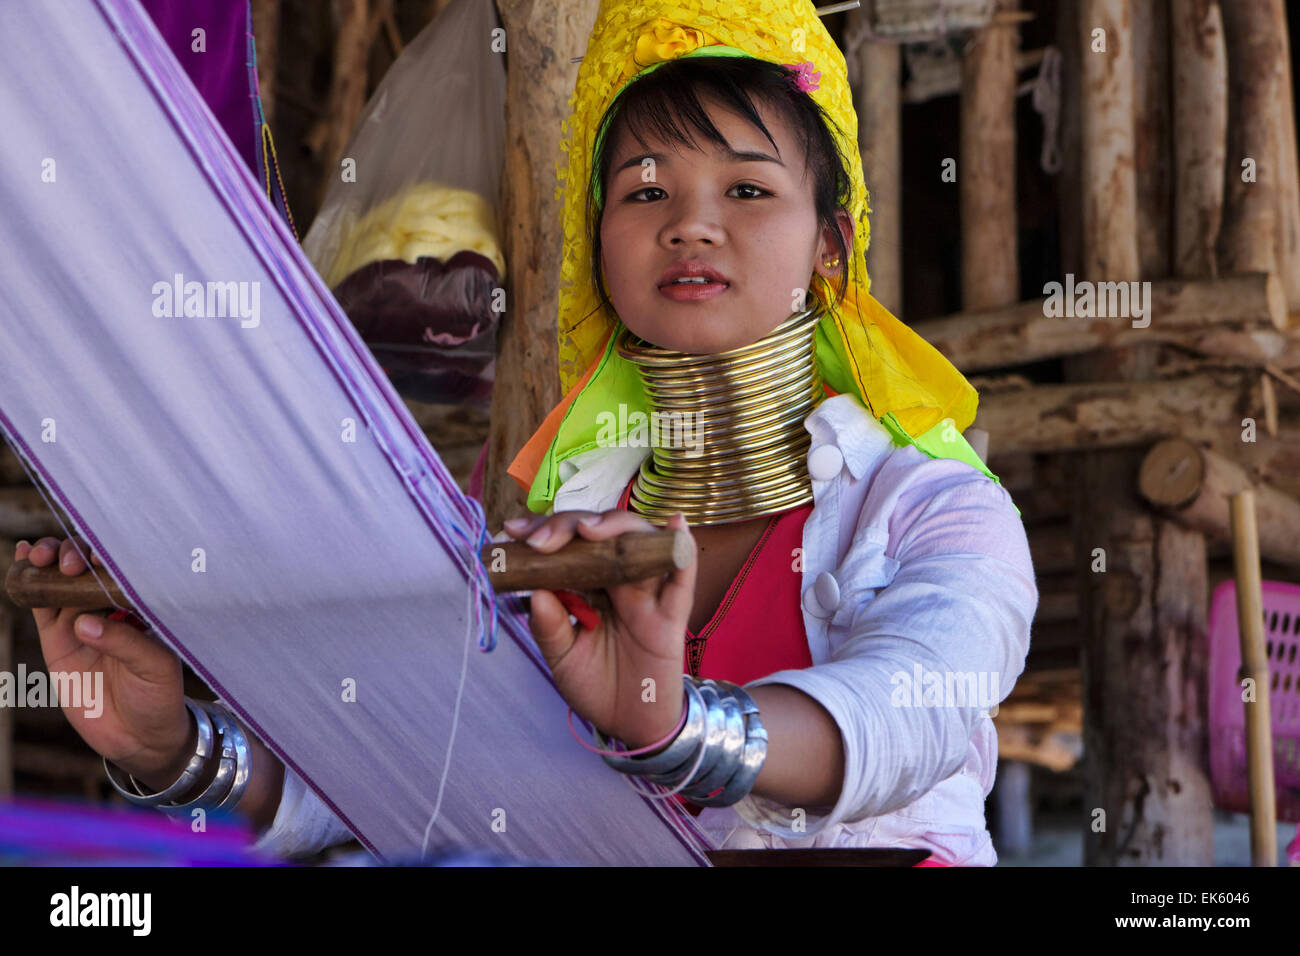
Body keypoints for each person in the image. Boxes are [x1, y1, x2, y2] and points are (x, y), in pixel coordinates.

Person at [18, 0, 1036, 865]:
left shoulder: (931, 507)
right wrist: (173, 747)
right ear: (598, 244)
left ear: (830, 245)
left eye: (747, 189)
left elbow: (912, 709)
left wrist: (676, 725)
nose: (690, 223)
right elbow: (433, 772)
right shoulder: (553, 522)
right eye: (645, 190)